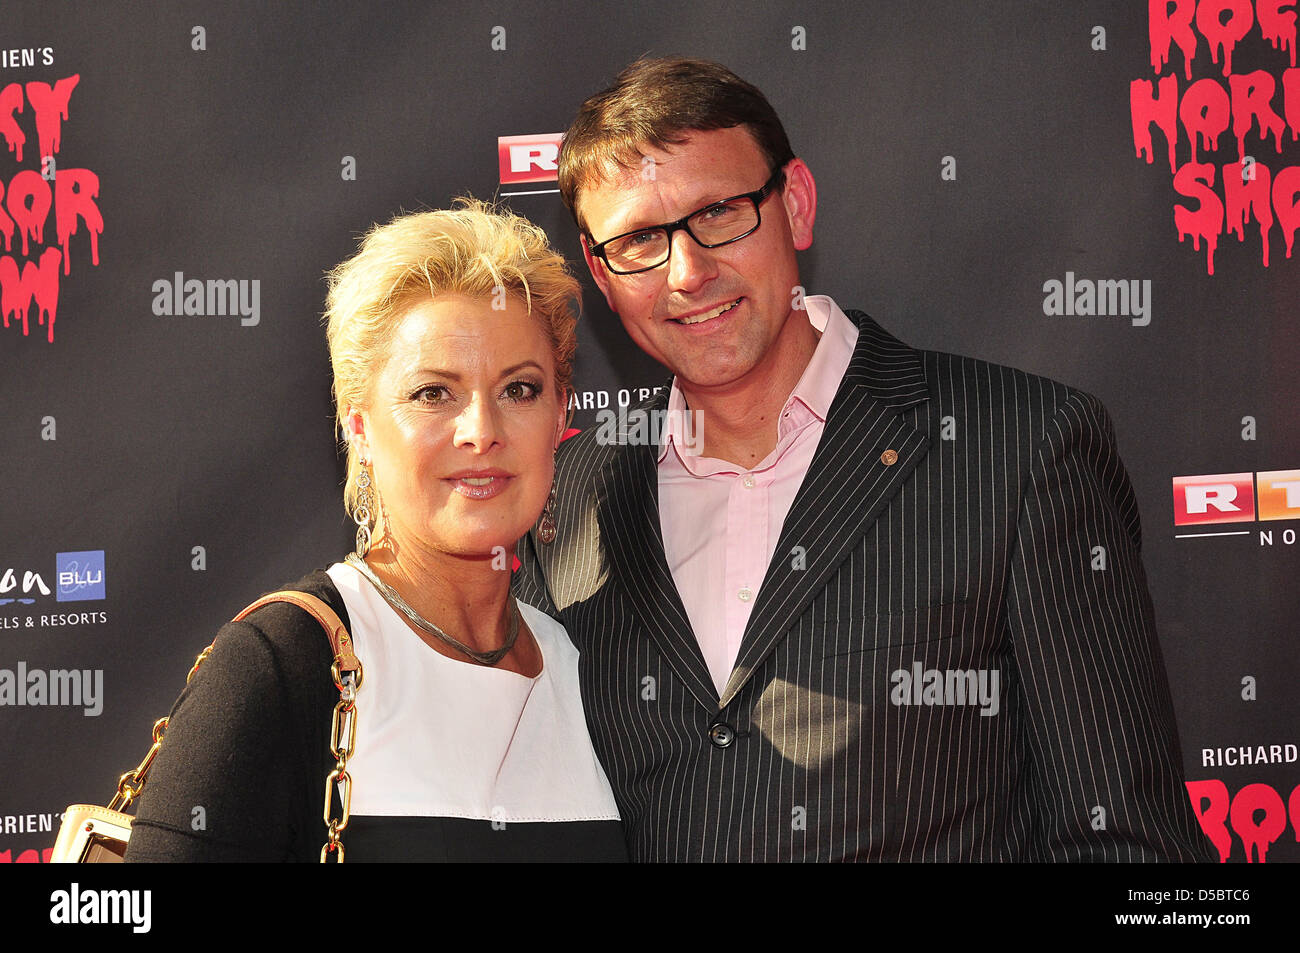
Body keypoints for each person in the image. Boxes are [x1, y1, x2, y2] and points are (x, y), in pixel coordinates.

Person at [511, 57, 1214, 862]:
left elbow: (1127, 842)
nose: (689, 271)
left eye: (719, 213)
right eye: (639, 240)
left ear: (797, 205)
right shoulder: (567, 493)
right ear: (601, 275)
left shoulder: (1021, 448)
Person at [125, 201, 626, 862]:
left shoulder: (583, 670)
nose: (481, 429)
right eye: (432, 393)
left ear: (561, 411)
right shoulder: (285, 665)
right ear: (359, 426)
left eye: (520, 389)